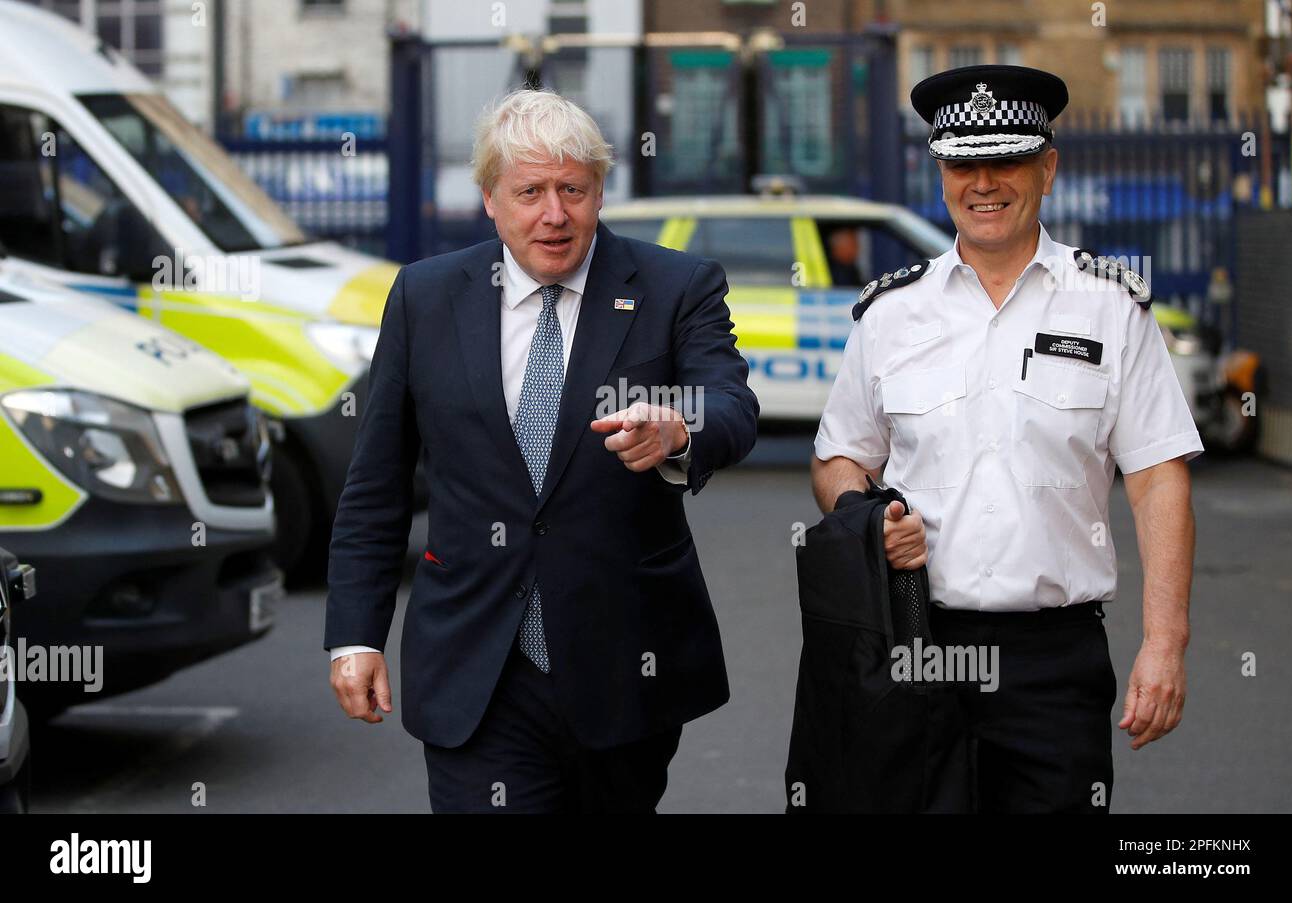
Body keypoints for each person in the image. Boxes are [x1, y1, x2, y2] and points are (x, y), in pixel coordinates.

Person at [325, 88, 759, 813]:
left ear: (598, 193)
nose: (554, 214)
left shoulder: (674, 286)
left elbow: (731, 404)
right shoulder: (425, 297)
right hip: (477, 668)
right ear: (490, 198)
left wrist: (677, 426)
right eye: (530, 192)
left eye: (573, 190)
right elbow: (376, 483)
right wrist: (353, 635)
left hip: (624, 666)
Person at [811, 65, 1202, 813]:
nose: (983, 183)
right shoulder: (892, 314)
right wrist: (869, 517)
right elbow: (839, 459)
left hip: (1054, 661)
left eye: (1007, 161)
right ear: (941, 175)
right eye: (963, 163)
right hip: (917, 641)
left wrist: (1165, 639)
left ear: (1047, 168)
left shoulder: (1110, 308)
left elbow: (1157, 476)